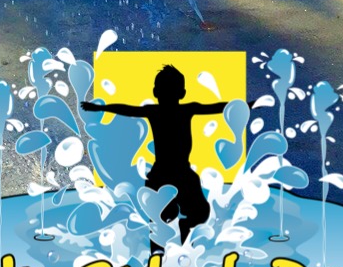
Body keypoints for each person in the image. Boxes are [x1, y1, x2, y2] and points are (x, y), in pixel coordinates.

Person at [81, 64, 248, 245]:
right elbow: (218, 107)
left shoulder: (163, 111)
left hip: (169, 174)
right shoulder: (178, 110)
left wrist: (100, 109)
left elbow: (126, 109)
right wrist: (244, 107)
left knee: (182, 216)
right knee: (180, 216)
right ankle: (175, 240)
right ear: (182, 92)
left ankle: (172, 241)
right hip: (170, 174)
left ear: (155, 92)